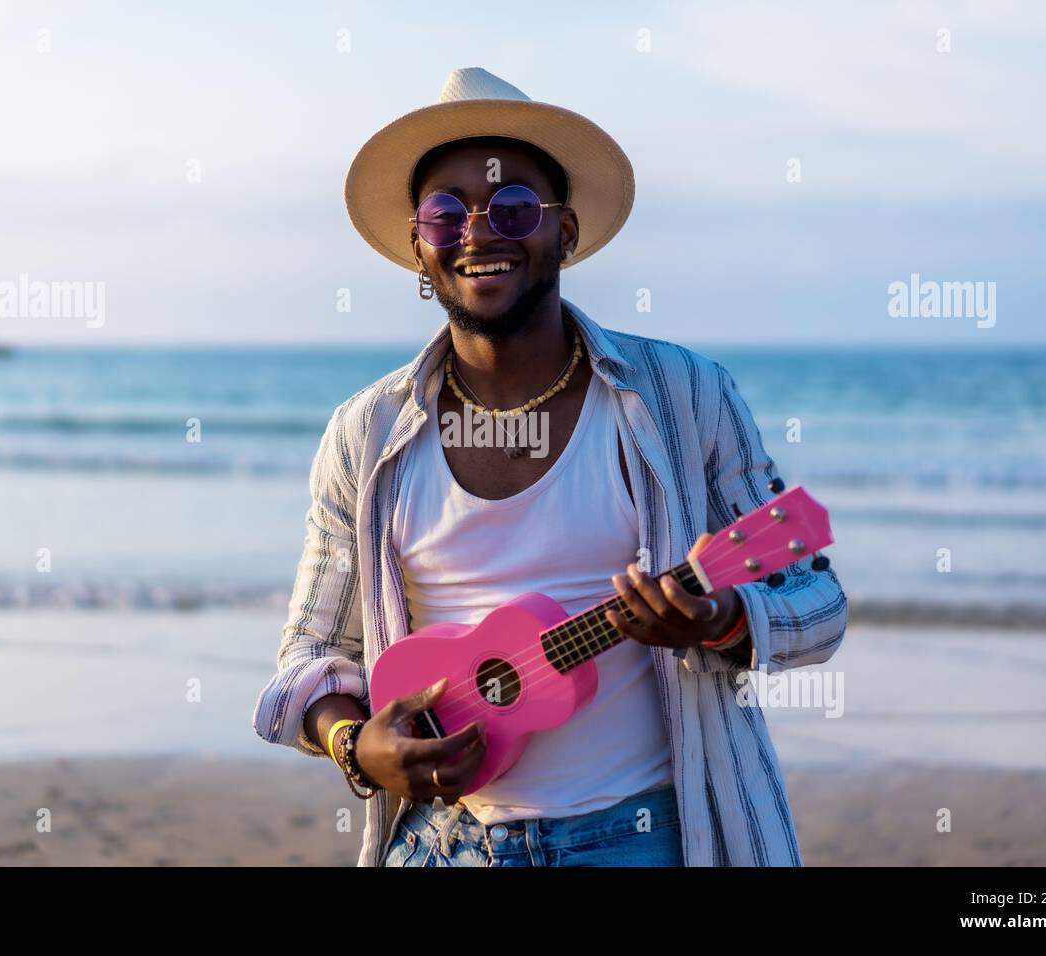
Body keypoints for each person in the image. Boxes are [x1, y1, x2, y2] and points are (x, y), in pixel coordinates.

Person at [253, 67, 847, 867]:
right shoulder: (365, 434)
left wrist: (720, 622)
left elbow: (816, 597)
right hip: (444, 846)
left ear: (563, 233)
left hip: (650, 838)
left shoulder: (684, 395)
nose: (478, 231)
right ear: (416, 246)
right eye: (444, 212)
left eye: (512, 207)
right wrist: (358, 747)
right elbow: (307, 657)